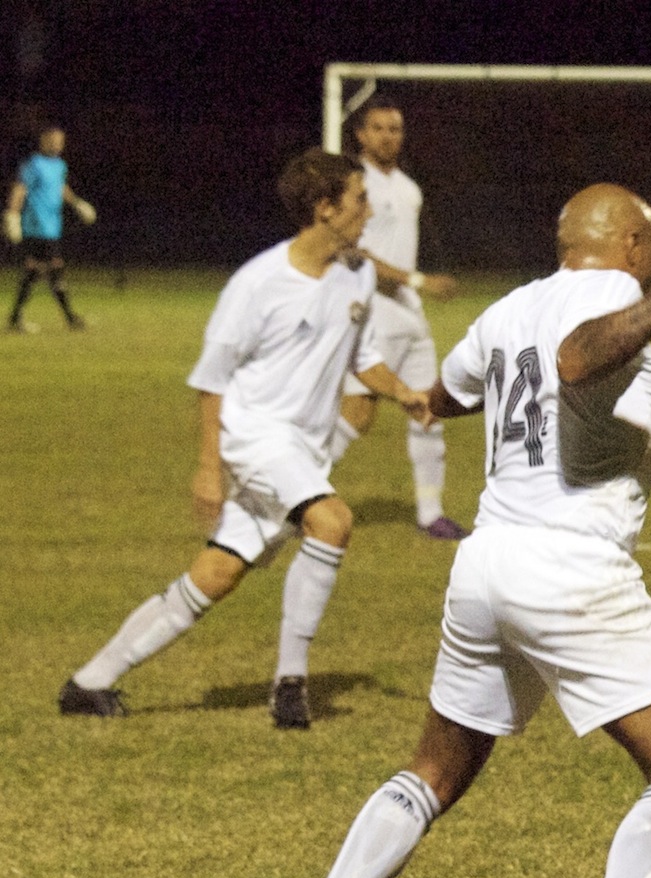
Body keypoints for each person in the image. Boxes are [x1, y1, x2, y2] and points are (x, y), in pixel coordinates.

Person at [254, 184, 651, 878]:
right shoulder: (618, 291)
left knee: (435, 769)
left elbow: (450, 392)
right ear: (628, 243)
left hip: (487, 569)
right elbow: (582, 358)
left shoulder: (509, 309)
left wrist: (421, 402)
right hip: (573, 572)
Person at [57, 149, 431, 728]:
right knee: (332, 521)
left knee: (216, 574)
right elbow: (211, 381)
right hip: (256, 440)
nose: (369, 208)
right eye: (360, 198)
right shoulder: (258, 283)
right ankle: (290, 685)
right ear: (325, 208)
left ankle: (89, 682)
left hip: (303, 451)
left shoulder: (357, 273)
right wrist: (208, 468)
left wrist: (405, 393)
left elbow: (365, 358)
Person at [328, 97, 468, 539]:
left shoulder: (409, 188)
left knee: (428, 409)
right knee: (358, 414)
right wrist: (420, 280)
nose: (389, 136)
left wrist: (414, 288)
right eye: (380, 129)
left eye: (396, 129)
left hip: (410, 315)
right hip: (373, 314)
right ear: (361, 135)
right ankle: (292, 493)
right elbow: (355, 253)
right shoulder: (353, 187)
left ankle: (431, 513)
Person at [6, 125, 97, 332]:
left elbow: (60, 187)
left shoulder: (59, 165)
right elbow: (19, 189)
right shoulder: (33, 164)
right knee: (55, 268)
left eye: (60, 141)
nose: (57, 144)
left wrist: (77, 203)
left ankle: (15, 318)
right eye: (53, 140)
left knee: (34, 270)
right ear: (43, 141)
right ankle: (71, 319)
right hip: (36, 226)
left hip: (53, 226)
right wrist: (12, 214)